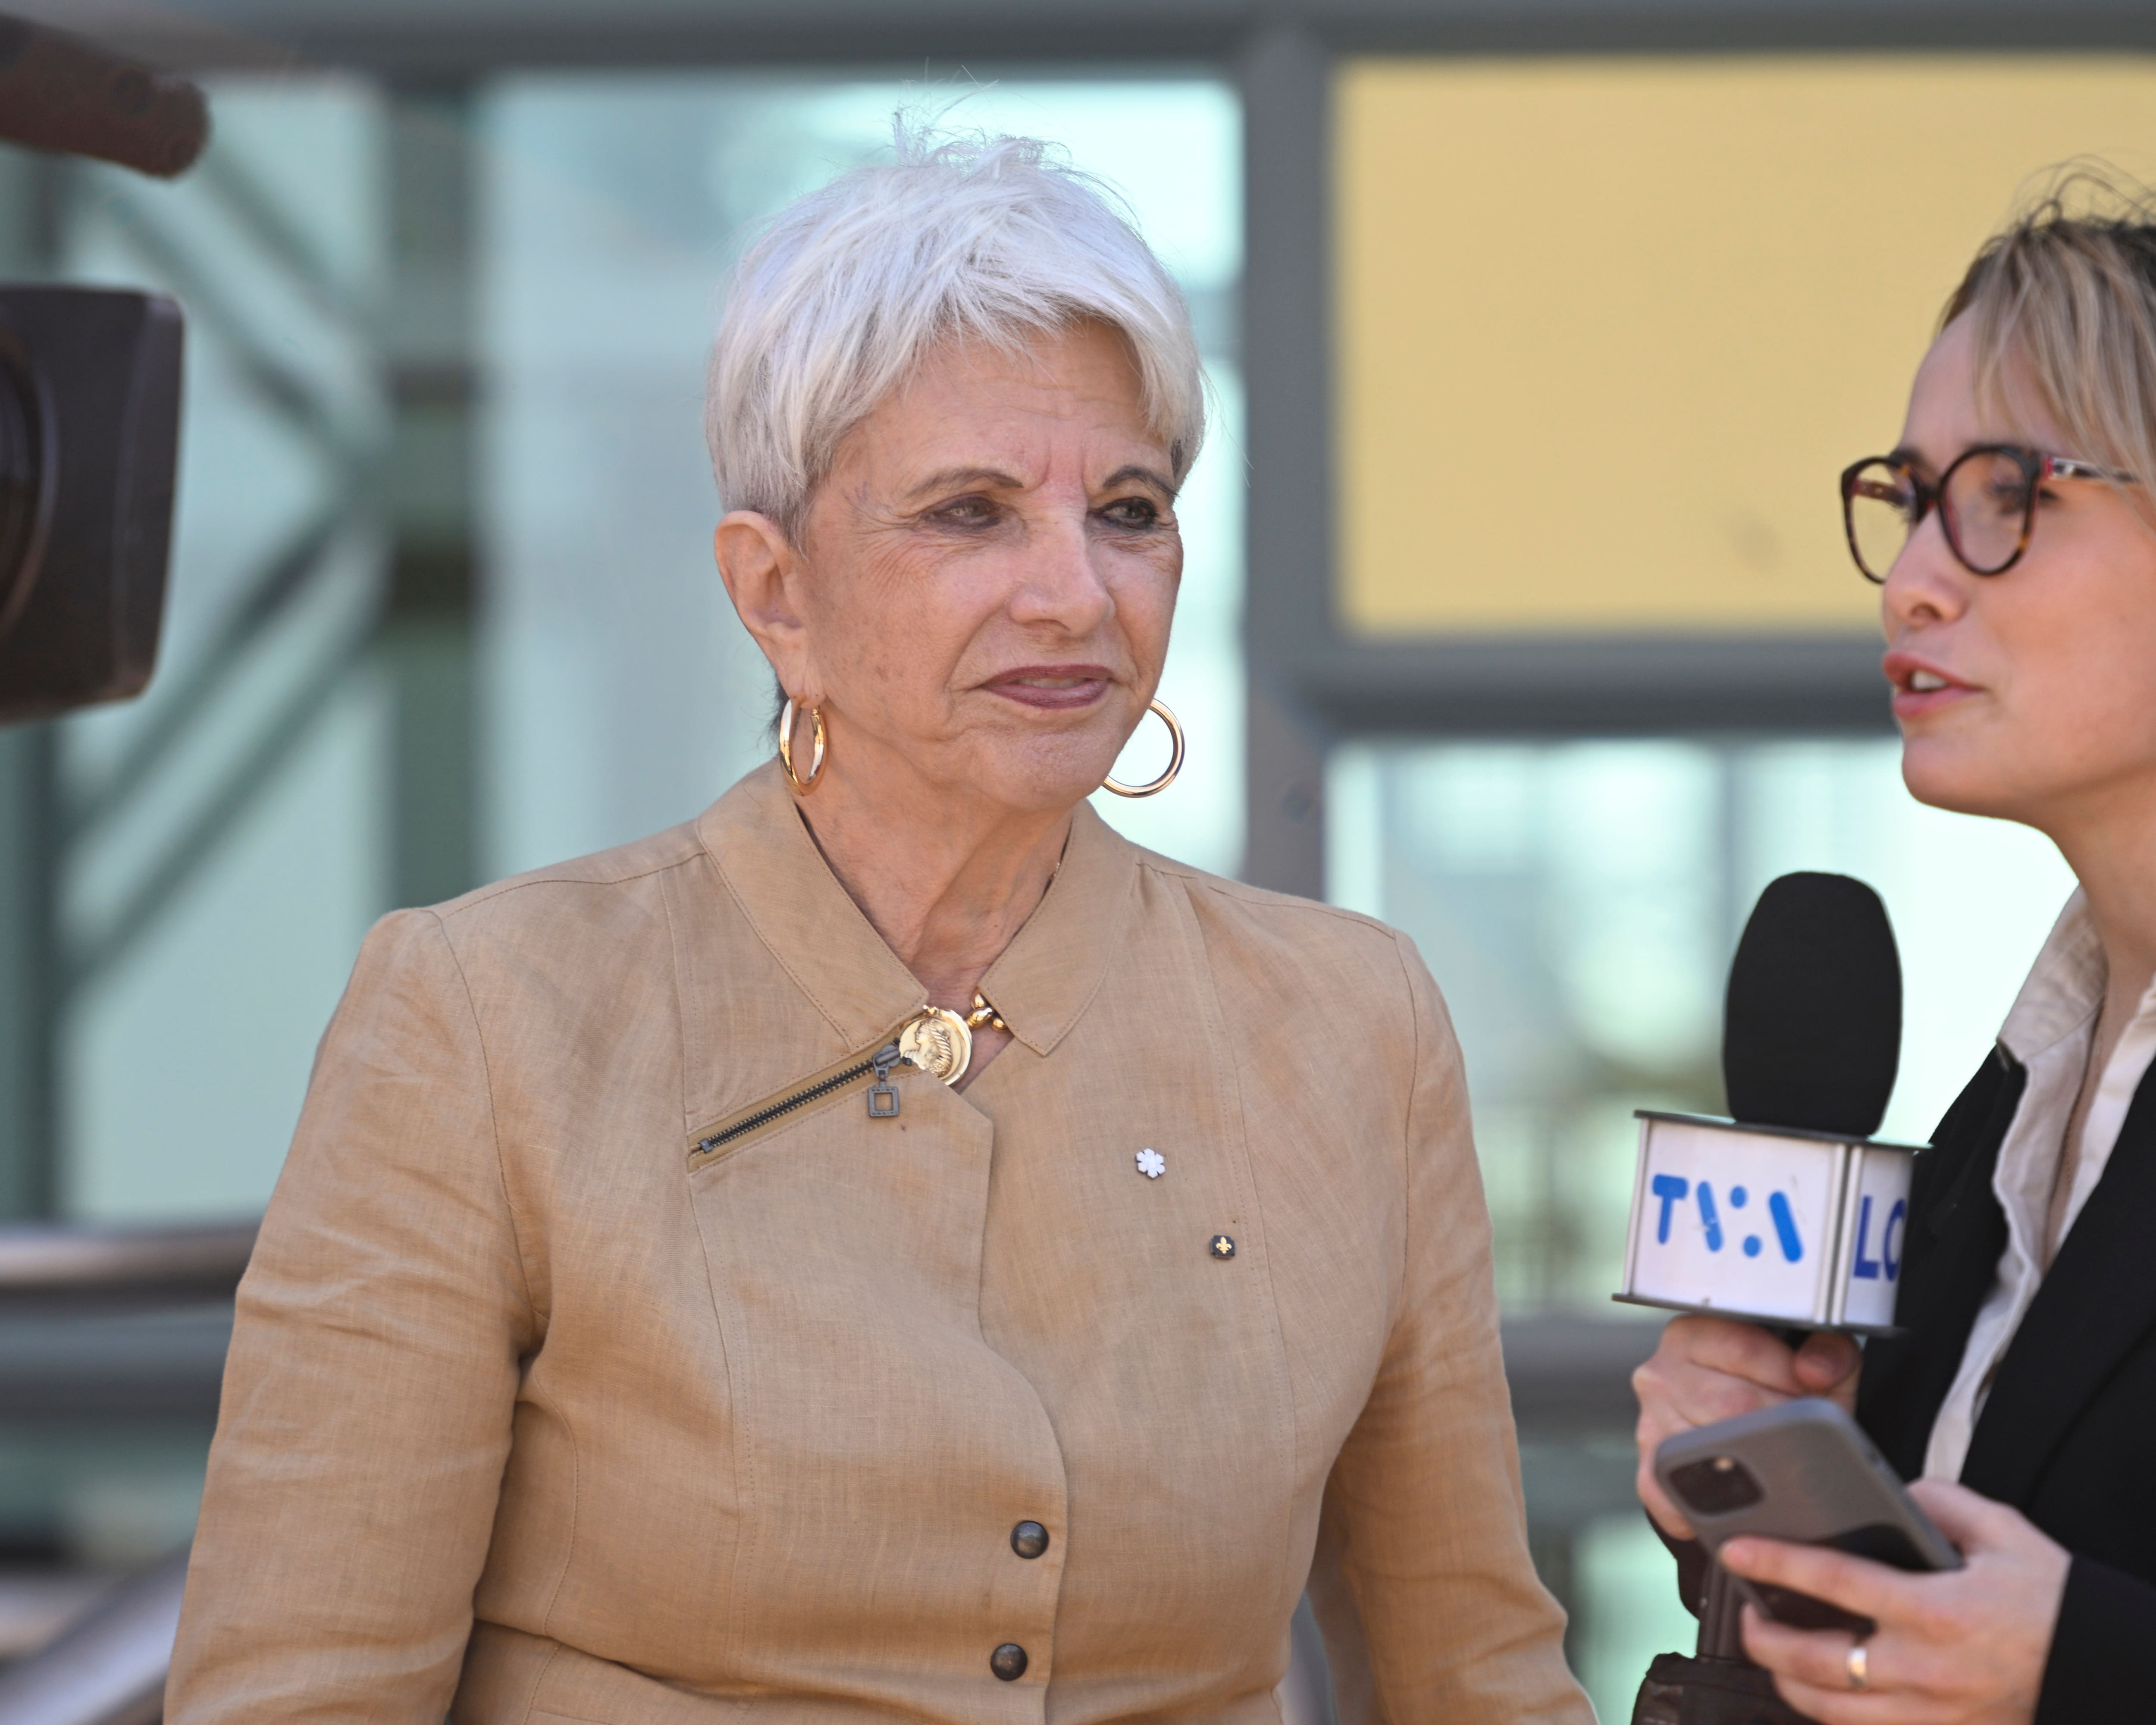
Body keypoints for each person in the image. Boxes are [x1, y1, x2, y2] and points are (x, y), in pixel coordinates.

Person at [166, 128, 1590, 1724]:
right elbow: (302, 1693)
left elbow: (1476, 1681)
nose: (1073, 593)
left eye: (1128, 511)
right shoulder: (486, 1014)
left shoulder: (1353, 1024)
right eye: (971, 514)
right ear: (774, 593)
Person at [1632, 170, 2156, 1725]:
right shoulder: (2011, 1110)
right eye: (1912, 498)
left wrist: (2086, 1671)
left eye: (2009, 498)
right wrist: (1795, 1477)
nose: (1916, 578)